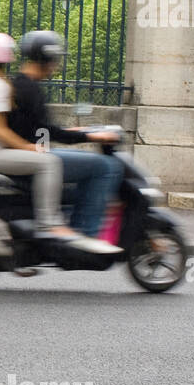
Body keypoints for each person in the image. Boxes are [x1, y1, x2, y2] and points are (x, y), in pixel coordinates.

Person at [0, 32, 116, 255]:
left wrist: (67, 134)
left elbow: (31, 127)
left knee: (49, 159)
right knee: (48, 163)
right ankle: (51, 224)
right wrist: (28, 147)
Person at [9, 31, 124, 244]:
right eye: (55, 60)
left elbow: (40, 130)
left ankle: (74, 220)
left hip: (34, 151)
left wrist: (79, 131)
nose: (57, 65)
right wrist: (91, 136)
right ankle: (86, 235)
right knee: (106, 167)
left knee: (85, 164)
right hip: (34, 155)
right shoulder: (29, 89)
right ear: (47, 58)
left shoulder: (23, 84)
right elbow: (46, 132)